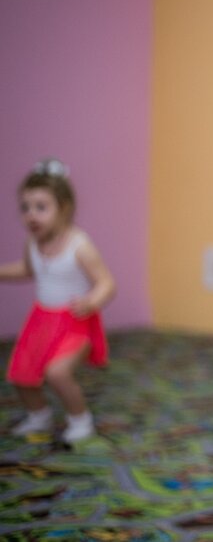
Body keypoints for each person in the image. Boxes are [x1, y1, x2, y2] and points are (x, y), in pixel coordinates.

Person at [2, 158, 115, 443]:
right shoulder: (33, 244)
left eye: (41, 207)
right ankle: (38, 416)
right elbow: (28, 269)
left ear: (64, 209)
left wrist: (92, 301)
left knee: (57, 372)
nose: (31, 215)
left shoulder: (80, 246)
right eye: (25, 208)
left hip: (74, 321)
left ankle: (81, 420)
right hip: (41, 319)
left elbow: (106, 282)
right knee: (21, 372)